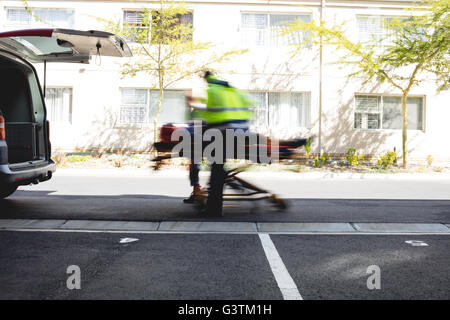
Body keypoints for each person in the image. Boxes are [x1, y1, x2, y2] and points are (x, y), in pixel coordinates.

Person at [196, 71, 253, 216]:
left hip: (223, 132)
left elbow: (210, 115)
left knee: (217, 169)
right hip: (242, 132)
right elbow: (252, 102)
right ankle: (228, 187)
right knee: (219, 168)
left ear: (206, 80)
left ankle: (213, 210)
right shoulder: (233, 90)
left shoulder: (213, 91)